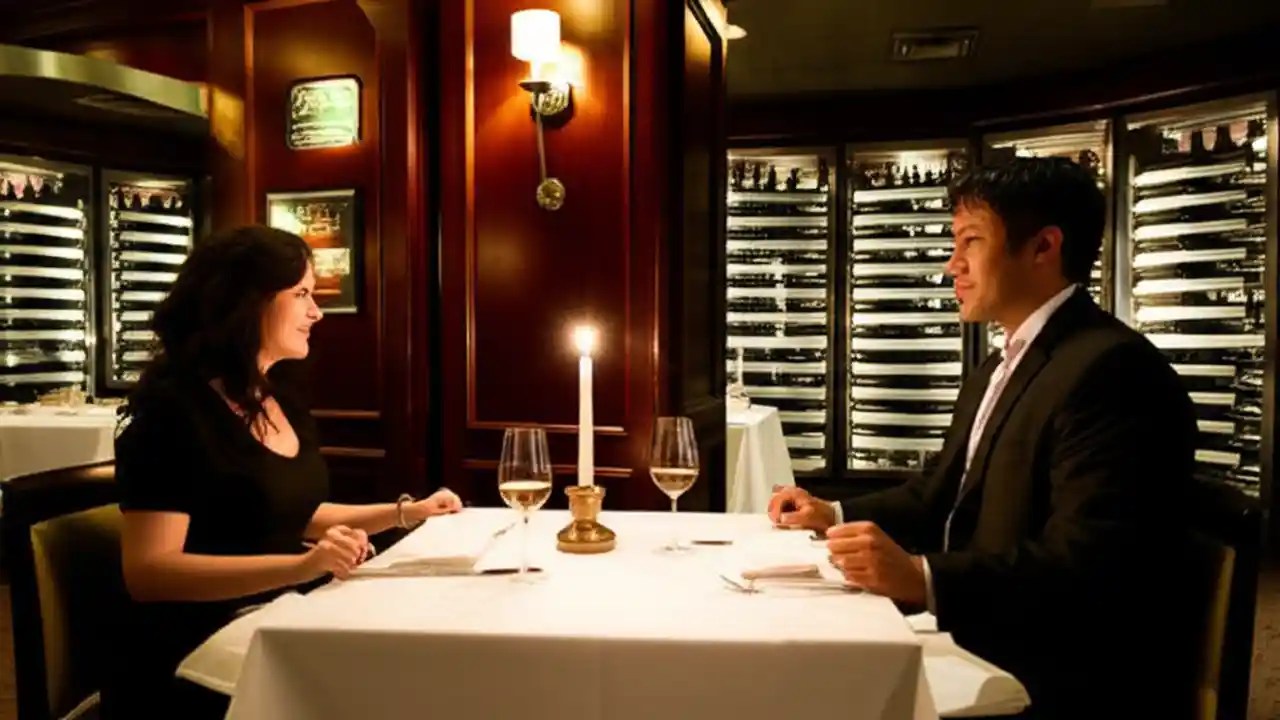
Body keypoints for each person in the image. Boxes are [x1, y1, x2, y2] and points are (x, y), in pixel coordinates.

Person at [769, 158, 1203, 719]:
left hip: (1052, 678)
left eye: (970, 241)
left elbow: (1091, 565)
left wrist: (923, 578)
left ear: (1044, 247)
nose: (953, 265)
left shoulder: (1112, 371)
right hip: (989, 640)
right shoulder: (1002, 365)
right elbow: (937, 495)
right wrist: (830, 511)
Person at [103, 225, 463, 718]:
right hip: (191, 652)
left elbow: (291, 511)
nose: (316, 312)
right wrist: (302, 566)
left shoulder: (277, 397)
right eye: (302, 294)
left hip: (272, 618)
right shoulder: (173, 415)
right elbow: (151, 573)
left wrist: (406, 513)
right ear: (248, 303)